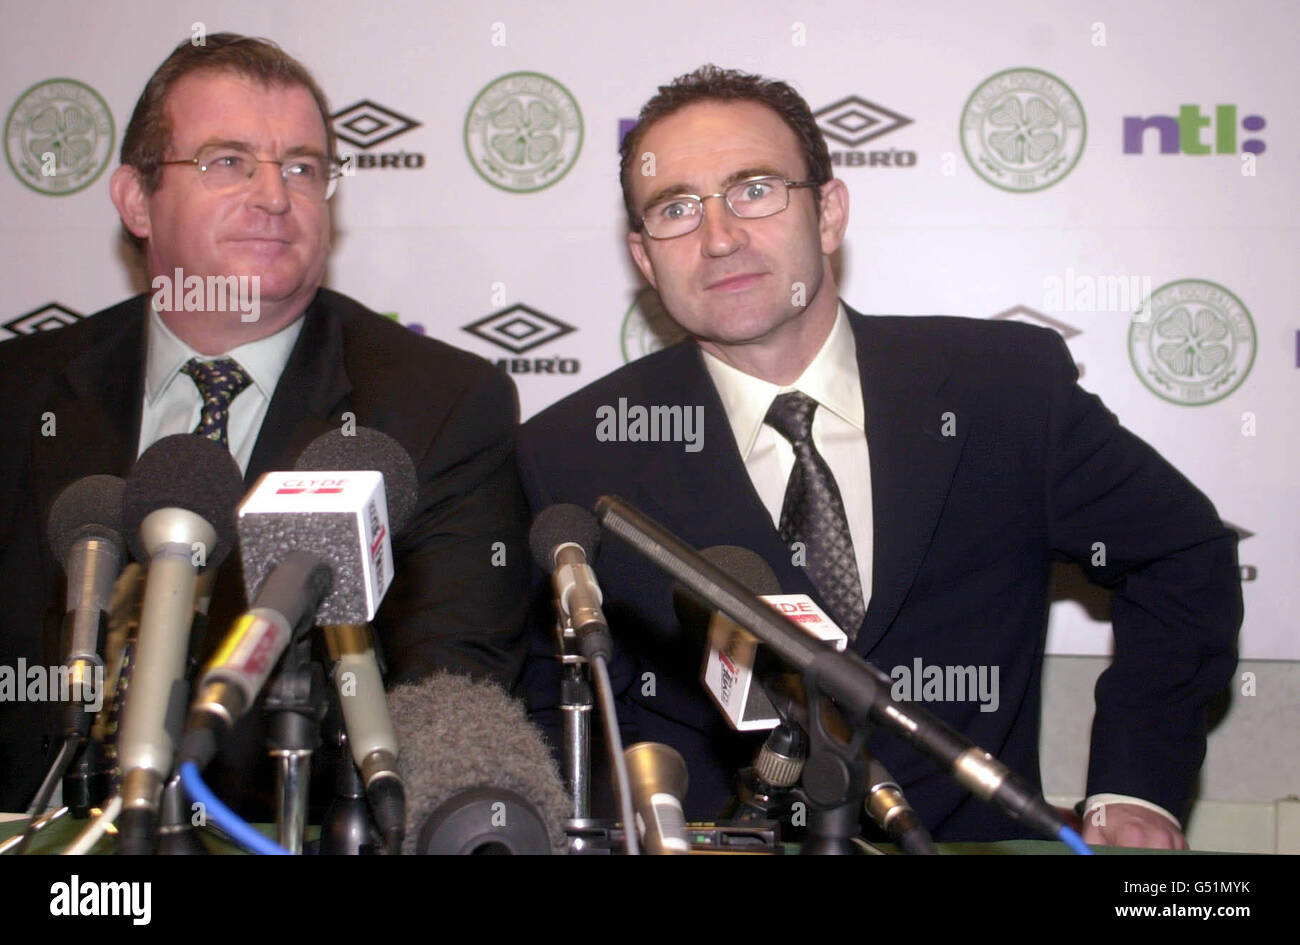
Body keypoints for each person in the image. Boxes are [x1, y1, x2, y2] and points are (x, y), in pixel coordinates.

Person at [516, 66, 1242, 847]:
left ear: (828, 212)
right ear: (644, 256)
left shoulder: (1002, 387)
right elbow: (545, 705)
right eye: (677, 208)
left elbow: (1183, 556)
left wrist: (1136, 786)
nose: (719, 236)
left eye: (754, 189)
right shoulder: (573, 450)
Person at [0, 34, 530, 813]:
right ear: (136, 199)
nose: (275, 196)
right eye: (228, 162)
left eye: (303, 168)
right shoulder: (17, 393)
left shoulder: (440, 405)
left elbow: (450, 692)